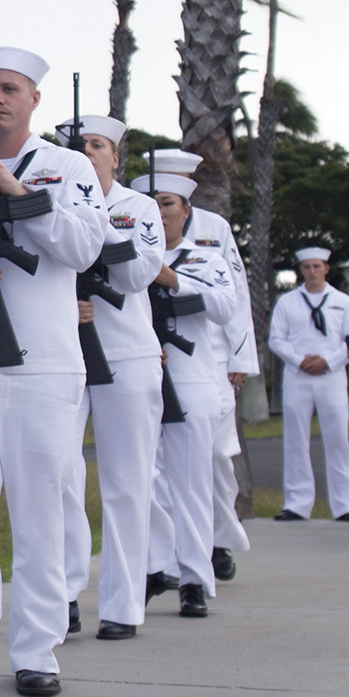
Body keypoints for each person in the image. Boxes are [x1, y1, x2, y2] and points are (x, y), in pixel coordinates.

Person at [0, 47, 107, 697]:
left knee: (40, 505)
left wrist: (18, 194)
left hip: (42, 356)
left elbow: (85, 246)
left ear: (34, 98)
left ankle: (37, 646)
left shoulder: (66, 167)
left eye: (10, 88)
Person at [57, 117, 167, 640]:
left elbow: (141, 271)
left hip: (125, 352)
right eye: (78, 146)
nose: (87, 152)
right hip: (65, 350)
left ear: (115, 157)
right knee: (59, 475)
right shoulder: (55, 195)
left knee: (126, 482)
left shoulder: (138, 207)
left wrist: (94, 231)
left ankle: (123, 604)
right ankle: (63, 594)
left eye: (97, 146)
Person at [145, 147, 259, 577]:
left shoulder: (214, 229)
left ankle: (219, 539)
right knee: (161, 466)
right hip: (160, 352)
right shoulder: (143, 224)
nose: (161, 201)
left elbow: (237, 294)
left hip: (210, 354)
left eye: (171, 191)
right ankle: (177, 553)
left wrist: (241, 355)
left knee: (214, 457)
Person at [265, 248, 349, 525]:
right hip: (298, 377)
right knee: (296, 439)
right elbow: (276, 339)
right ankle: (297, 503)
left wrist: (328, 361)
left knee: (338, 440)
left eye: (317, 266)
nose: (312, 271)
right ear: (301, 270)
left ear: (326, 269)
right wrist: (300, 361)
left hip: (331, 377)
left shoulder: (342, 301)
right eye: (307, 267)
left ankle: (347, 505)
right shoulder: (288, 302)